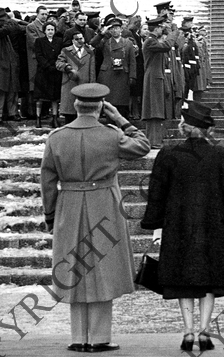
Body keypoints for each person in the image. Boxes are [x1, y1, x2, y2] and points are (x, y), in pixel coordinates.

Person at [40, 83, 151, 352]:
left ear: (75, 106)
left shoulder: (56, 137)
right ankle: (99, 338)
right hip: (104, 204)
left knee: (74, 268)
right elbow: (143, 146)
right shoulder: (111, 135)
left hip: (69, 204)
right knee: (104, 270)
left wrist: (50, 215)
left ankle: (79, 337)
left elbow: (47, 180)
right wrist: (121, 119)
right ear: (101, 107)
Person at [141, 101, 224, 352]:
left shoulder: (168, 154)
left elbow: (157, 194)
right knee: (209, 279)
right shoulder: (221, 154)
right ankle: (205, 331)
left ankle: (188, 332)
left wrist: (155, 224)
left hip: (178, 227)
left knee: (183, 280)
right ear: (207, 129)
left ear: (184, 126)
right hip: (211, 226)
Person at [91, 18, 137, 118]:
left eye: (117, 28)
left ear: (121, 29)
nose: (114, 30)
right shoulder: (105, 42)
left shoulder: (128, 42)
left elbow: (132, 61)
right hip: (108, 74)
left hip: (123, 74)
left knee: (122, 102)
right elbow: (93, 44)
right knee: (109, 102)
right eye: (112, 28)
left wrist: (132, 76)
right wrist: (101, 34)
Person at [141, 17, 173, 147]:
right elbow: (167, 46)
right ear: (156, 29)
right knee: (154, 110)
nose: (162, 30)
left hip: (155, 77)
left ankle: (155, 139)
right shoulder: (150, 41)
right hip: (153, 78)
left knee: (156, 110)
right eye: (161, 28)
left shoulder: (152, 41)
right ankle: (153, 140)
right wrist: (172, 33)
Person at [56, 32, 97, 125]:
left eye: (81, 39)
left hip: (84, 85)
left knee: (83, 114)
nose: (79, 41)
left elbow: (92, 70)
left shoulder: (89, 52)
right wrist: (66, 67)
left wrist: (92, 84)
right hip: (70, 85)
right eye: (77, 39)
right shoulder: (66, 51)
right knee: (70, 114)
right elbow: (58, 63)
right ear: (72, 41)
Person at [33, 21, 63, 129]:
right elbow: (39, 55)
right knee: (40, 97)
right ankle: (38, 118)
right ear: (44, 31)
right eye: (48, 30)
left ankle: (54, 118)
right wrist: (47, 66)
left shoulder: (59, 41)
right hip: (43, 72)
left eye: (52, 30)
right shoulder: (39, 41)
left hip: (55, 72)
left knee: (54, 97)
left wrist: (56, 66)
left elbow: (61, 54)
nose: (50, 32)